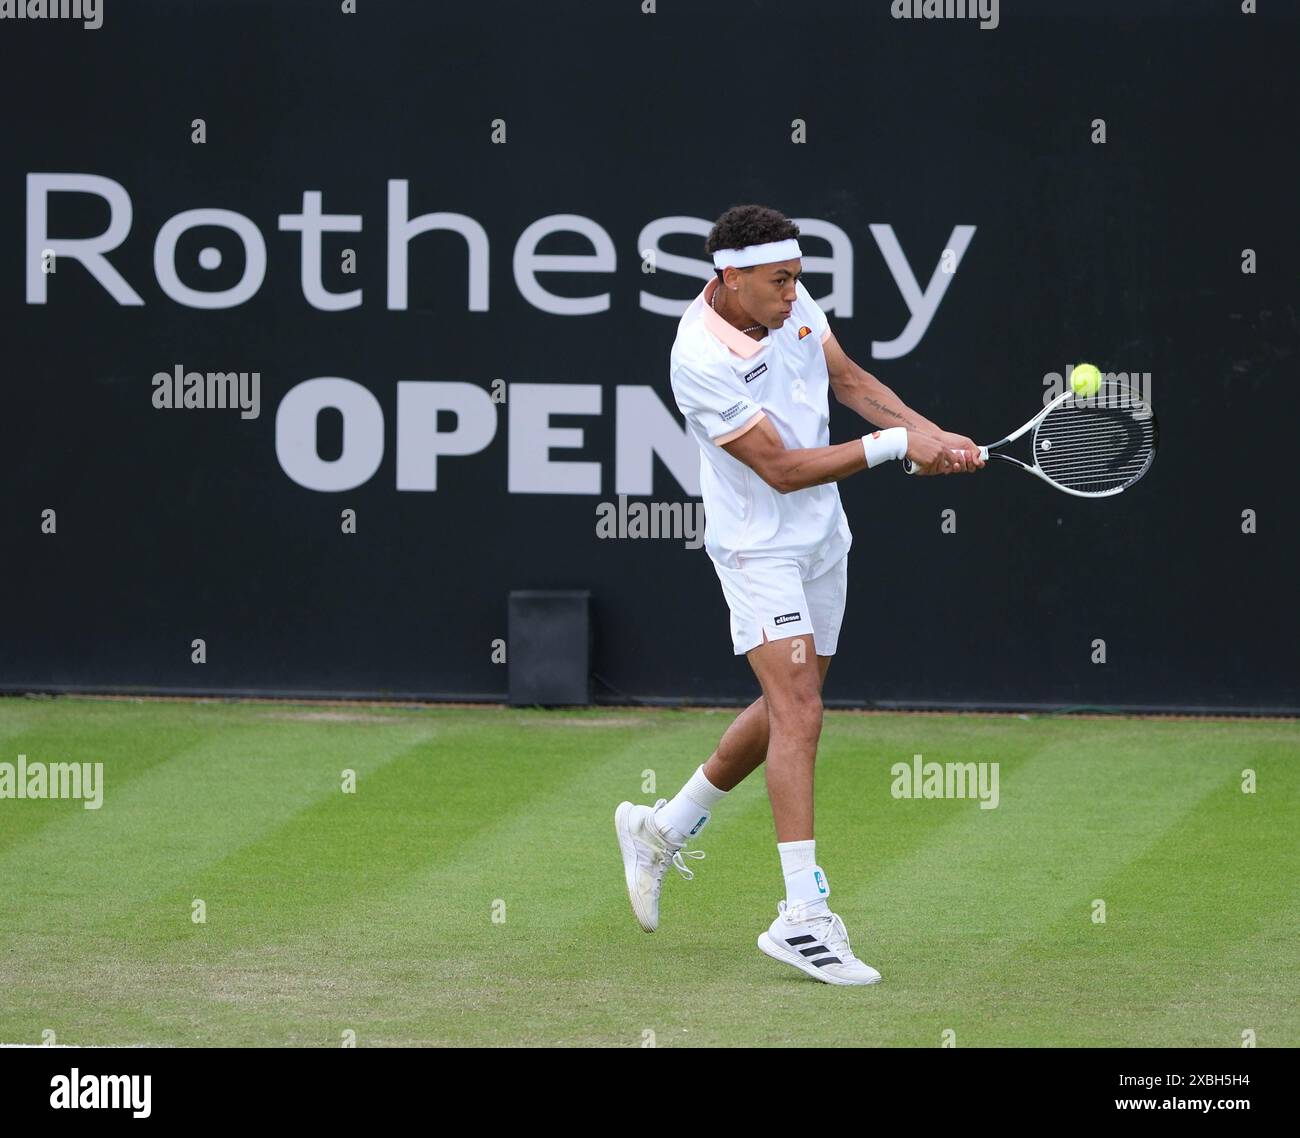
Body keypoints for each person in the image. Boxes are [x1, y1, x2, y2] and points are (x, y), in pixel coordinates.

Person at [615, 204, 984, 985]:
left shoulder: (789, 301)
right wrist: (892, 447)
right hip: (758, 552)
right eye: (780, 281)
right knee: (802, 713)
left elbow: (848, 380)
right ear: (731, 278)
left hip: (822, 541)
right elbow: (780, 468)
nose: (794, 295)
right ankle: (802, 919)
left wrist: (934, 438)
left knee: (794, 703)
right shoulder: (697, 360)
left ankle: (662, 827)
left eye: (798, 280)